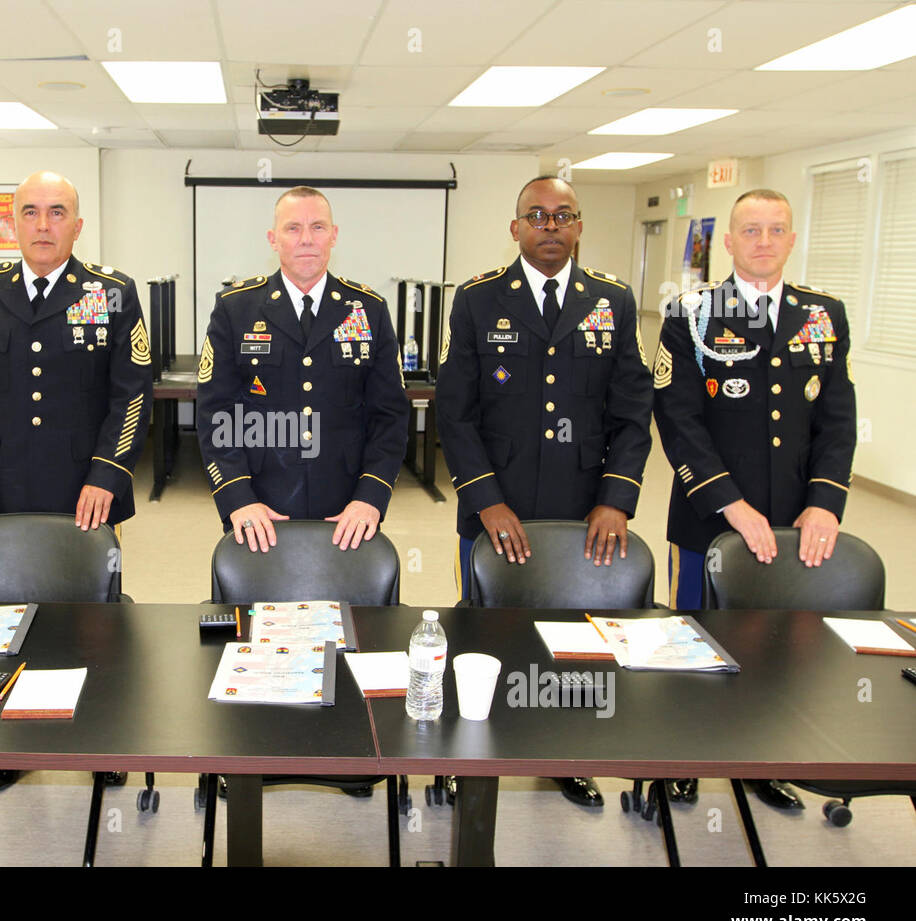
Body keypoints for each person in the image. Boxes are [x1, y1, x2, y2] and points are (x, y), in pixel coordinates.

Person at [436, 175, 653, 808]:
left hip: (584, 509)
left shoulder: (612, 299)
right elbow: (456, 413)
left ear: (580, 227)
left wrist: (616, 498)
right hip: (493, 504)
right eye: (536, 215)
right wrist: (486, 498)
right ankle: (466, 755)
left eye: (563, 216)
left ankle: (559, 752)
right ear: (516, 228)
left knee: (570, 636)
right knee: (481, 630)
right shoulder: (476, 300)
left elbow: (632, 412)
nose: (550, 226)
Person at [0, 170, 153, 792]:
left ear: (77, 225)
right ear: (13, 222)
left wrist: (107, 474)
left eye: (57, 211)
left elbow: (131, 394)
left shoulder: (111, 292)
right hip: (0, 490)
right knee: (8, 616)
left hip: (82, 489)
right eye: (31, 212)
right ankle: (14, 742)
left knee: (90, 615)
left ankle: (99, 736)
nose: (43, 224)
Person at [653, 187, 857, 810]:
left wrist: (824, 501)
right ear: (729, 241)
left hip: (796, 522)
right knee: (696, 638)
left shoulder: (822, 315)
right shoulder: (689, 313)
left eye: (776, 229)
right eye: (751, 229)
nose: (764, 240)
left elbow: (838, 418)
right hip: (708, 517)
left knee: (778, 647)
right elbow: (678, 418)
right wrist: (730, 506)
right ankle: (682, 759)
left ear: (792, 239)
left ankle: (763, 760)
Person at [195, 185, 409, 553]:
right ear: (273, 239)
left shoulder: (368, 308)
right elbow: (217, 413)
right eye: (293, 228)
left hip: (347, 508)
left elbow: (389, 415)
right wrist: (237, 497)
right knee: (257, 608)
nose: (306, 239)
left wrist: (371, 496)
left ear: (334, 235)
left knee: (351, 609)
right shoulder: (236, 308)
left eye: (318, 227)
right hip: (260, 505)